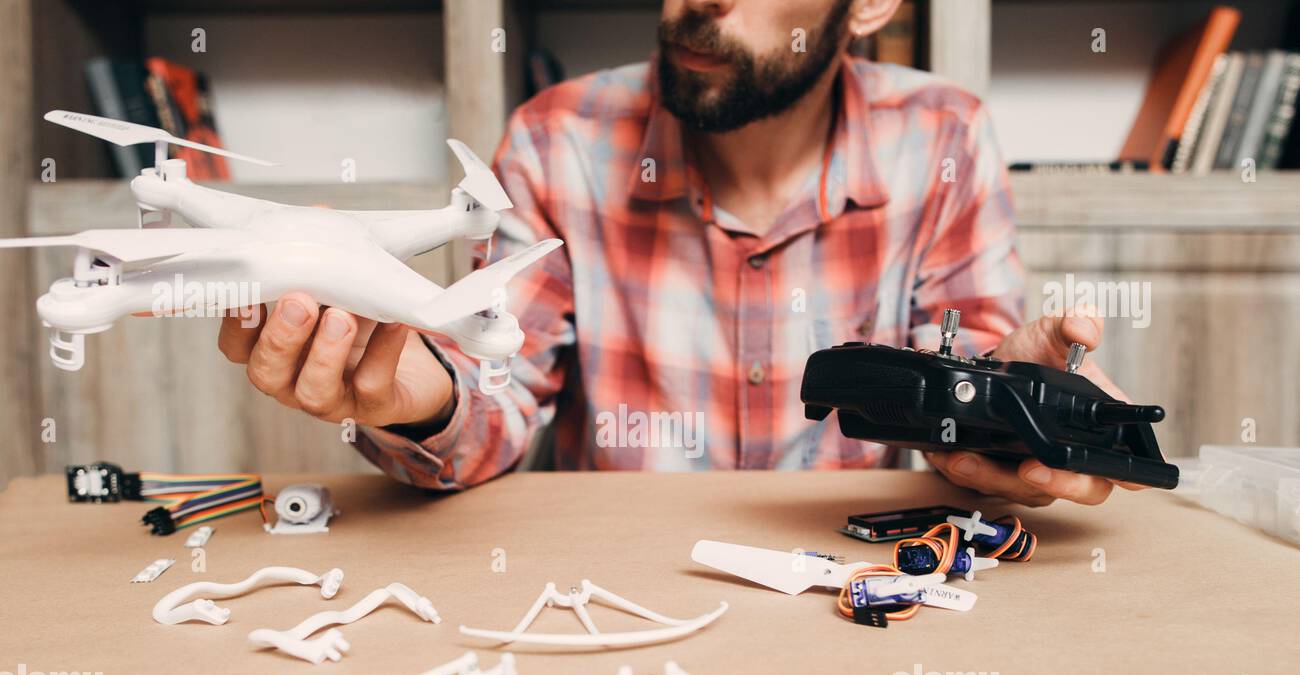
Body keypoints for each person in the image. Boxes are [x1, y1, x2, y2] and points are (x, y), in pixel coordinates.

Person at [217, 0, 1133, 507]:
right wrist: (418, 396)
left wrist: (1013, 404)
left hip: (833, 595)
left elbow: (961, 381)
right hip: (609, 612)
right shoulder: (559, 138)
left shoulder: (943, 136)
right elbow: (489, 403)